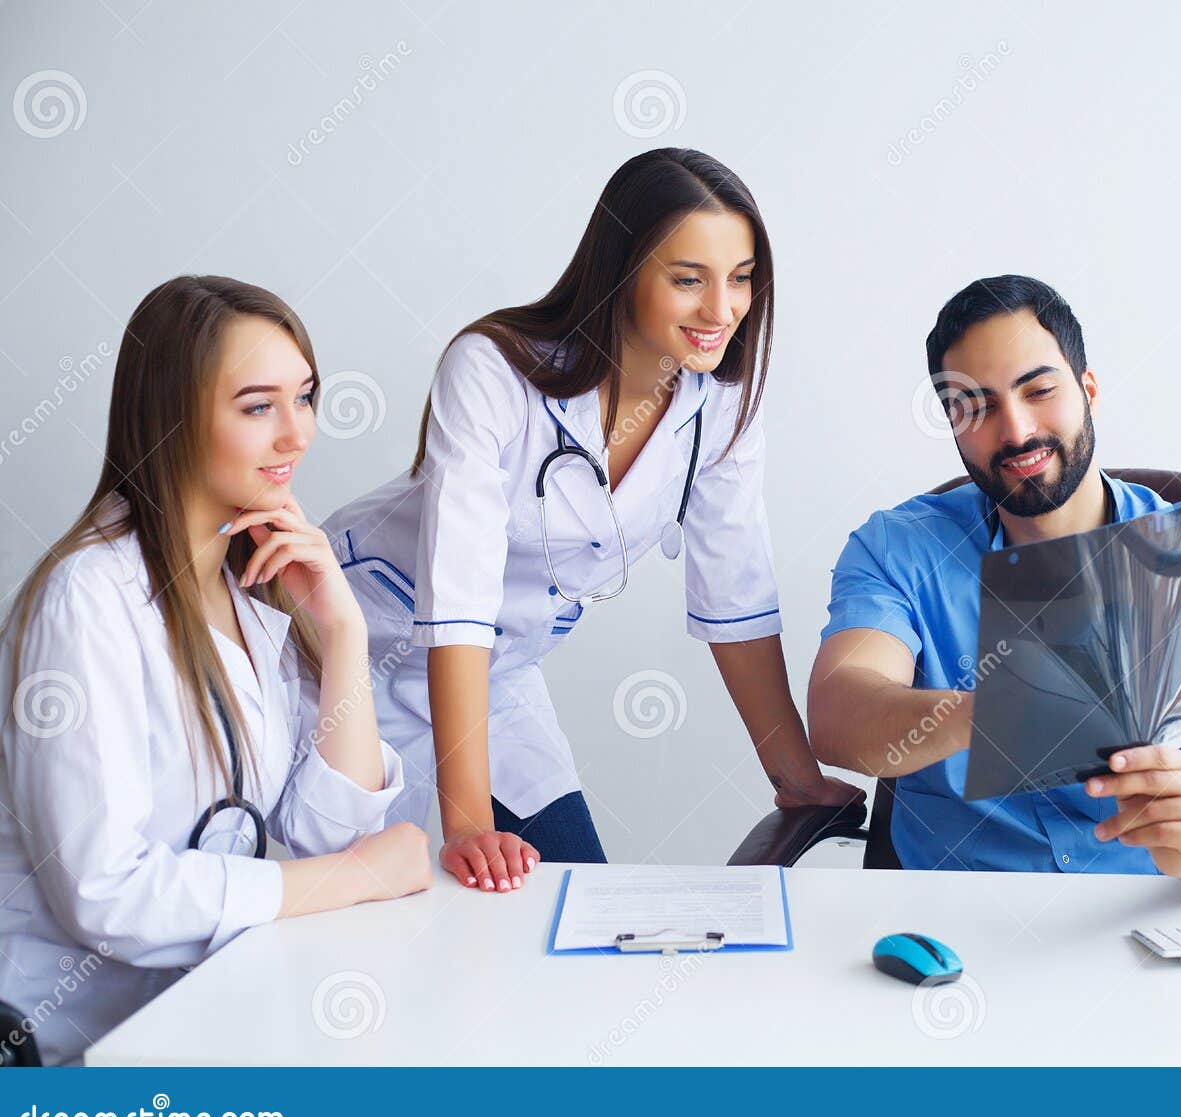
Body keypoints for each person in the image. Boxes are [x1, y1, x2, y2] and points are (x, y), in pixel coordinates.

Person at [323, 148, 861, 891]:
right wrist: (469, 823)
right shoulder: (492, 371)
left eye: (740, 278)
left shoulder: (722, 403)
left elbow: (735, 591)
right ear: (621, 270)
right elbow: (460, 598)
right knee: (381, 902)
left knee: (573, 895)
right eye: (688, 279)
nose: (722, 310)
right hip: (346, 660)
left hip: (496, 679)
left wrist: (795, 775)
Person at [0, 276, 432, 1065]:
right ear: (172, 418)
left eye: (305, 397)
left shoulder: (247, 587)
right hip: (71, 1053)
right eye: (258, 406)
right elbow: (106, 893)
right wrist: (351, 876)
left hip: (202, 1020)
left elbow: (330, 831)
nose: (297, 434)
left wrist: (342, 630)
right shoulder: (88, 599)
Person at [808, 275, 1181, 884]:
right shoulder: (900, 550)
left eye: (1039, 390)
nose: (1017, 431)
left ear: (1088, 390)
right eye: (977, 407)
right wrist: (995, 713)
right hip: (955, 912)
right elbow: (839, 715)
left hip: (1149, 908)